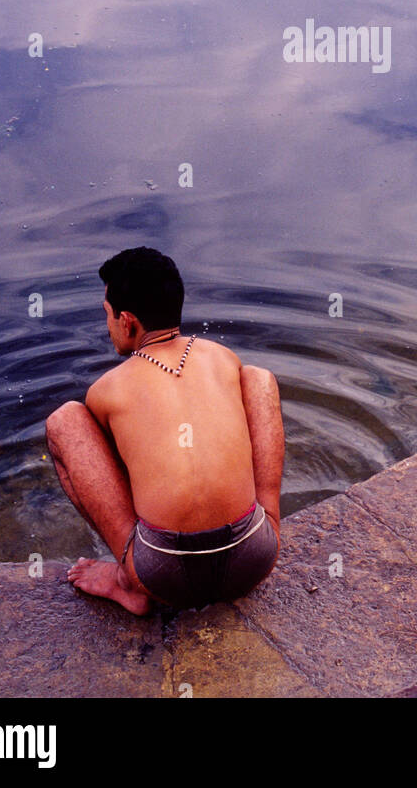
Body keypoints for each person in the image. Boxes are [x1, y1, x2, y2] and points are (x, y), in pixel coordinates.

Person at [45, 246, 284, 614]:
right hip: (254, 558)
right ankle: (271, 523)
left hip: (164, 574)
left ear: (127, 321)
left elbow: (117, 480)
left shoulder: (108, 389)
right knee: (259, 377)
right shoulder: (222, 358)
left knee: (65, 421)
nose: (107, 326)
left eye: (107, 315)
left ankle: (128, 580)